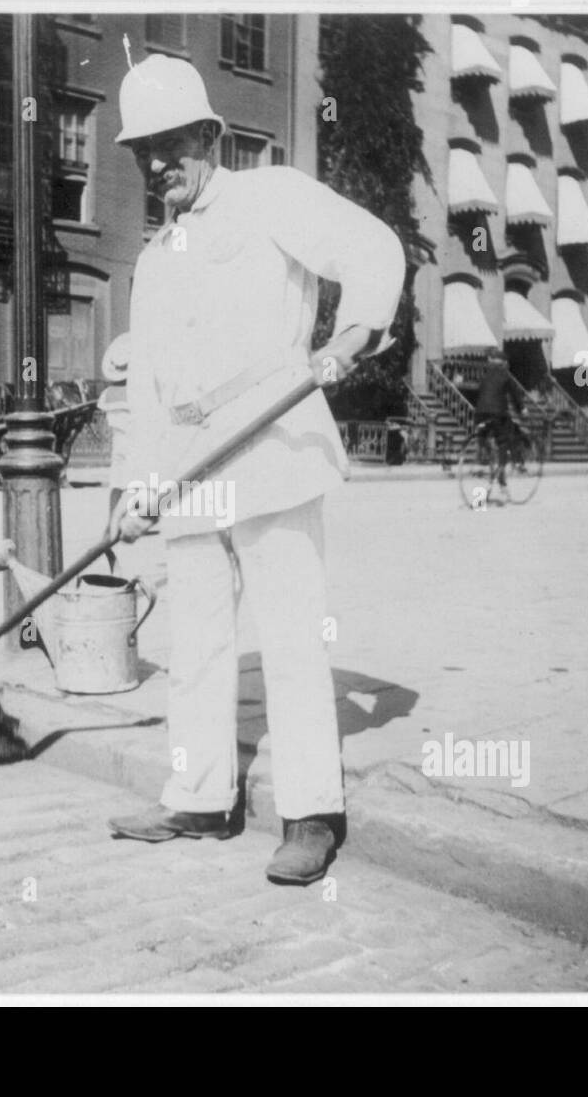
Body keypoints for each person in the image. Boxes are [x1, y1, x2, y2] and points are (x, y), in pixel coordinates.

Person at [104, 55, 406, 885]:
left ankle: (311, 814)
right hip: (193, 465)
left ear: (212, 134)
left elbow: (375, 249)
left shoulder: (273, 195)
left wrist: (355, 332)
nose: (158, 163)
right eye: (143, 151)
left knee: (290, 635)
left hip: (275, 447)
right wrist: (137, 490)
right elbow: (149, 392)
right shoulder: (158, 259)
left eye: (172, 143)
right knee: (197, 637)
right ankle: (200, 794)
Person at [97, 332, 133, 521]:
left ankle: (114, 517)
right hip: (134, 440)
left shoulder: (108, 394)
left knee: (117, 480)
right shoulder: (135, 392)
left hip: (118, 442)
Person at [473, 362, 524, 468]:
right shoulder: (506, 376)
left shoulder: (485, 377)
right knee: (503, 439)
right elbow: (514, 395)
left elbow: (478, 394)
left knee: (483, 434)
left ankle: (485, 455)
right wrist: (521, 409)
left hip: (480, 413)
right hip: (498, 413)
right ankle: (501, 470)